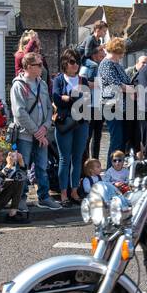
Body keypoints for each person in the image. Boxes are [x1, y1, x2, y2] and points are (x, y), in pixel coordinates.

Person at [10, 52, 58, 209]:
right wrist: (37, 132)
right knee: (22, 167)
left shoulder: (42, 84)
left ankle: (43, 197)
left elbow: (49, 108)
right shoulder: (18, 86)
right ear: (29, 67)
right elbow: (19, 113)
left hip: (41, 134)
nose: (42, 67)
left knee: (42, 167)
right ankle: (20, 198)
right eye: (39, 65)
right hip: (25, 135)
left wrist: (45, 127)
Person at [51, 50, 91, 206]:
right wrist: (67, 99)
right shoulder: (58, 80)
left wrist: (67, 99)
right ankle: (63, 193)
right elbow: (56, 98)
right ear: (65, 63)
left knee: (78, 158)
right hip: (65, 123)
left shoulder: (83, 80)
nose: (76, 65)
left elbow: (86, 101)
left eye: (77, 62)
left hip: (81, 123)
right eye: (72, 62)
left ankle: (74, 191)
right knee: (64, 159)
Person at [97, 38, 130, 158]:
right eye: (121, 52)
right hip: (111, 106)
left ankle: (118, 168)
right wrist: (133, 90)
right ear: (117, 51)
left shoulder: (117, 65)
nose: (122, 55)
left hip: (121, 106)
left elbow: (127, 81)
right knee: (116, 139)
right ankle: (111, 169)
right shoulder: (106, 64)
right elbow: (116, 85)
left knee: (121, 140)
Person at [81, 42, 106, 166]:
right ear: (95, 54)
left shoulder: (101, 67)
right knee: (87, 136)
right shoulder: (87, 68)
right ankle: (86, 162)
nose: (104, 53)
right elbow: (81, 84)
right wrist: (96, 84)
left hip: (99, 106)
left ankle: (95, 162)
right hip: (89, 106)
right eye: (102, 52)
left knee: (98, 136)